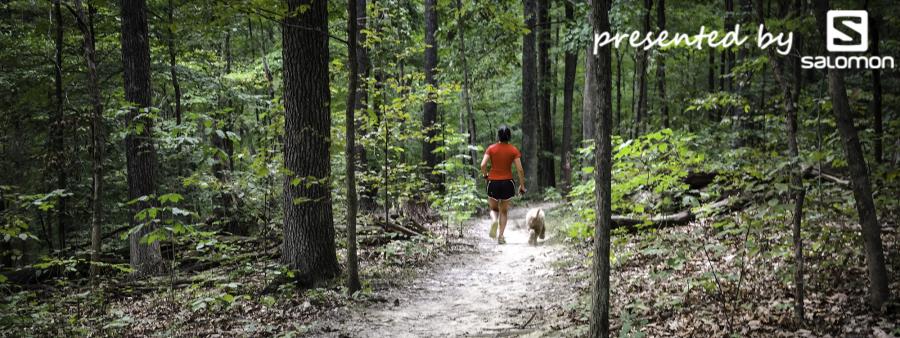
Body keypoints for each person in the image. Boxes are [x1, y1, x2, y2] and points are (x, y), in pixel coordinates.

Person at [480, 125, 526, 244]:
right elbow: (520, 170)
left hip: (493, 182)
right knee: (504, 211)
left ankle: (494, 220)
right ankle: (500, 236)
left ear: (498, 135)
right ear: (509, 136)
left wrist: (485, 176)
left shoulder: (491, 148)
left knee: (494, 209)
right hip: (507, 183)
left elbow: (482, 165)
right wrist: (522, 185)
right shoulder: (513, 150)